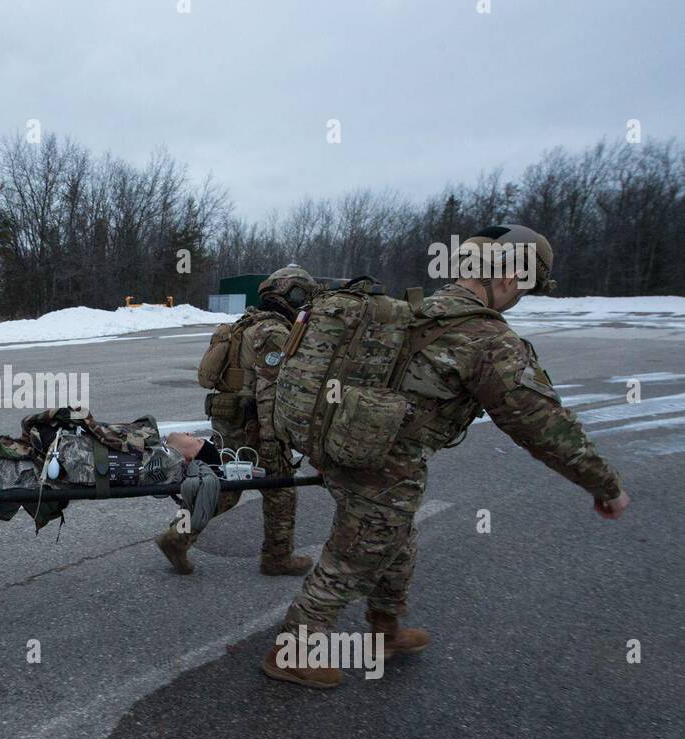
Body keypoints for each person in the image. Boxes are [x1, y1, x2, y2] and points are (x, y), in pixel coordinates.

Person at [264, 225, 629, 688]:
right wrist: (604, 485)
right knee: (357, 552)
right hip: (380, 461)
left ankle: (385, 629)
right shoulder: (485, 339)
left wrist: (323, 445)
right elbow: (541, 425)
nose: (521, 296)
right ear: (510, 275)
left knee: (394, 537)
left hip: (345, 446)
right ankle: (294, 648)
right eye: (526, 285)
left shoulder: (414, 311)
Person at [156, 265, 317, 576]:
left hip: (230, 420)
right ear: (293, 296)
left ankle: (178, 536)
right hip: (254, 426)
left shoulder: (244, 325)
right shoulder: (274, 334)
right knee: (281, 488)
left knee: (226, 487)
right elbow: (270, 394)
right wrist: (274, 444)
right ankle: (277, 557)